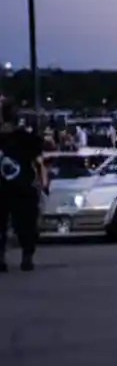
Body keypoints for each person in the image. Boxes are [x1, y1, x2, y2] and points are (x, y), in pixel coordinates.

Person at [0, 99, 45, 272]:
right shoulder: (25, 138)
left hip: (20, 188)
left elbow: (38, 155)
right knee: (20, 224)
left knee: (24, 225)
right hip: (15, 188)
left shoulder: (24, 138)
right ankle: (17, 257)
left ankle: (25, 256)